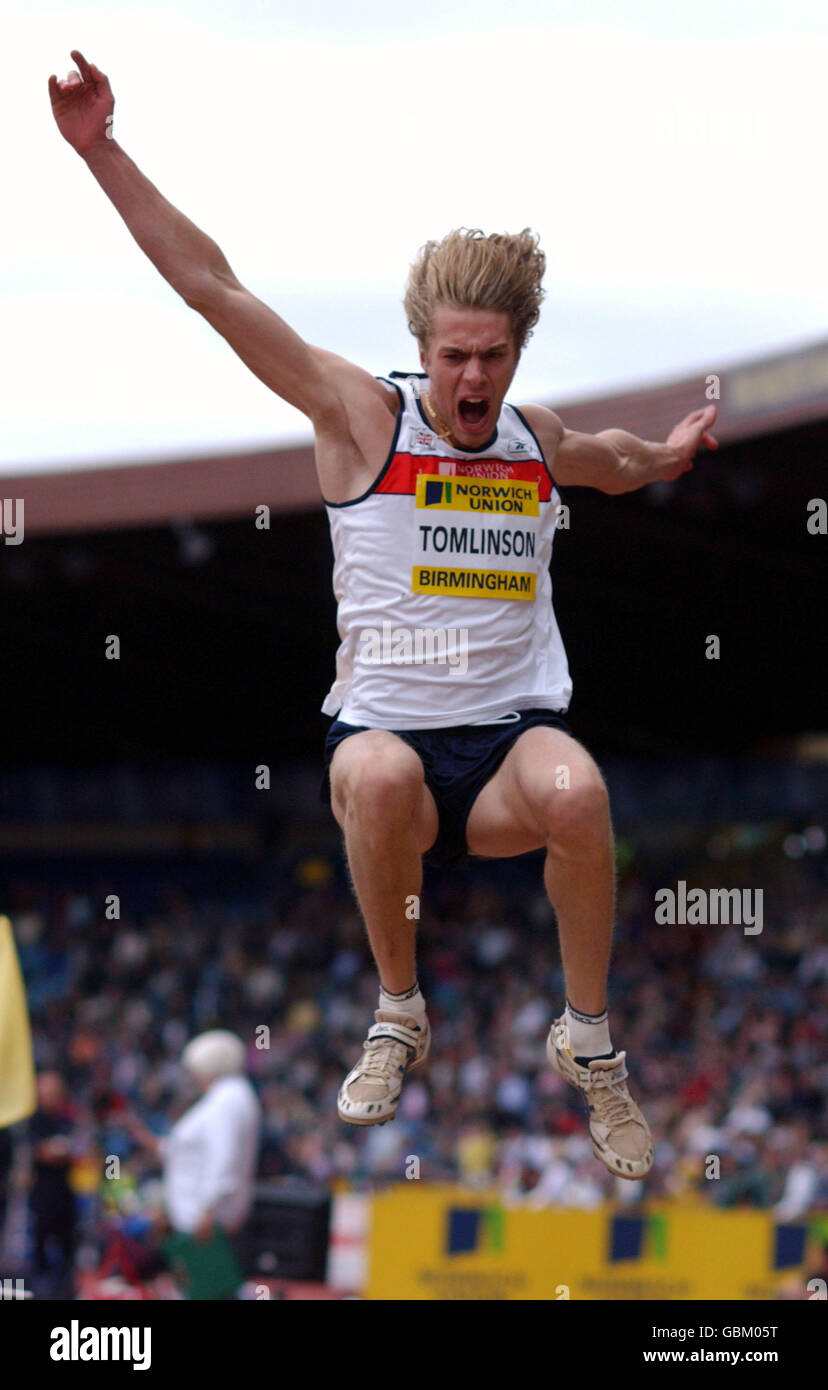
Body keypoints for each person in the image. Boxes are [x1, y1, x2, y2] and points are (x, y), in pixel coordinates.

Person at [50, 51, 719, 1181]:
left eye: (491, 357)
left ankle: (591, 1043)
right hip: (389, 745)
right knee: (374, 780)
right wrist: (100, 149)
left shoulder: (534, 443)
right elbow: (214, 289)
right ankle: (398, 1010)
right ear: (421, 352)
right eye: (452, 356)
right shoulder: (360, 419)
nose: (471, 378)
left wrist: (669, 457)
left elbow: (617, 461)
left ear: (517, 352)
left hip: (508, 747)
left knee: (583, 791)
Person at [125, 1031, 261, 1299]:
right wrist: (152, 1142)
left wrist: (208, 1209)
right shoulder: (226, 1097)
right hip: (200, 1216)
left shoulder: (227, 1100)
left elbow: (225, 1157)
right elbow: (190, 1152)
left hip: (207, 1219)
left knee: (212, 1290)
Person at [27, 1071, 79, 1298]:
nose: (52, 1098)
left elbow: (98, 1156)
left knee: (69, 1254)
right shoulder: (30, 1123)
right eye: (47, 1093)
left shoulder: (70, 1120)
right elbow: (41, 1153)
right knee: (38, 1258)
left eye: (56, 1093)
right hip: (37, 1203)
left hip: (69, 1199)